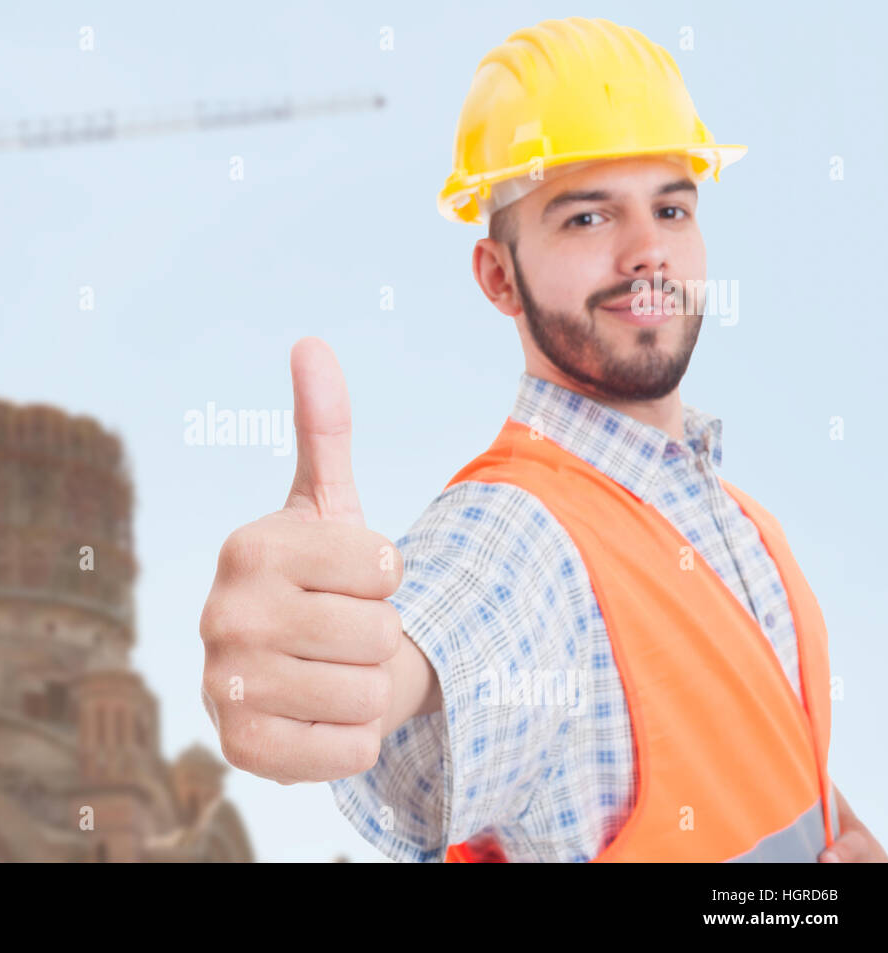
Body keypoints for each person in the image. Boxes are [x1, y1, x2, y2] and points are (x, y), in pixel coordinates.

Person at [197, 16, 885, 862]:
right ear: (497, 276)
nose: (647, 253)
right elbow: (441, 635)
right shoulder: (524, 534)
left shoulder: (742, 525)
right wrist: (330, 677)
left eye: (671, 207)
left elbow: (757, 758)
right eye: (588, 219)